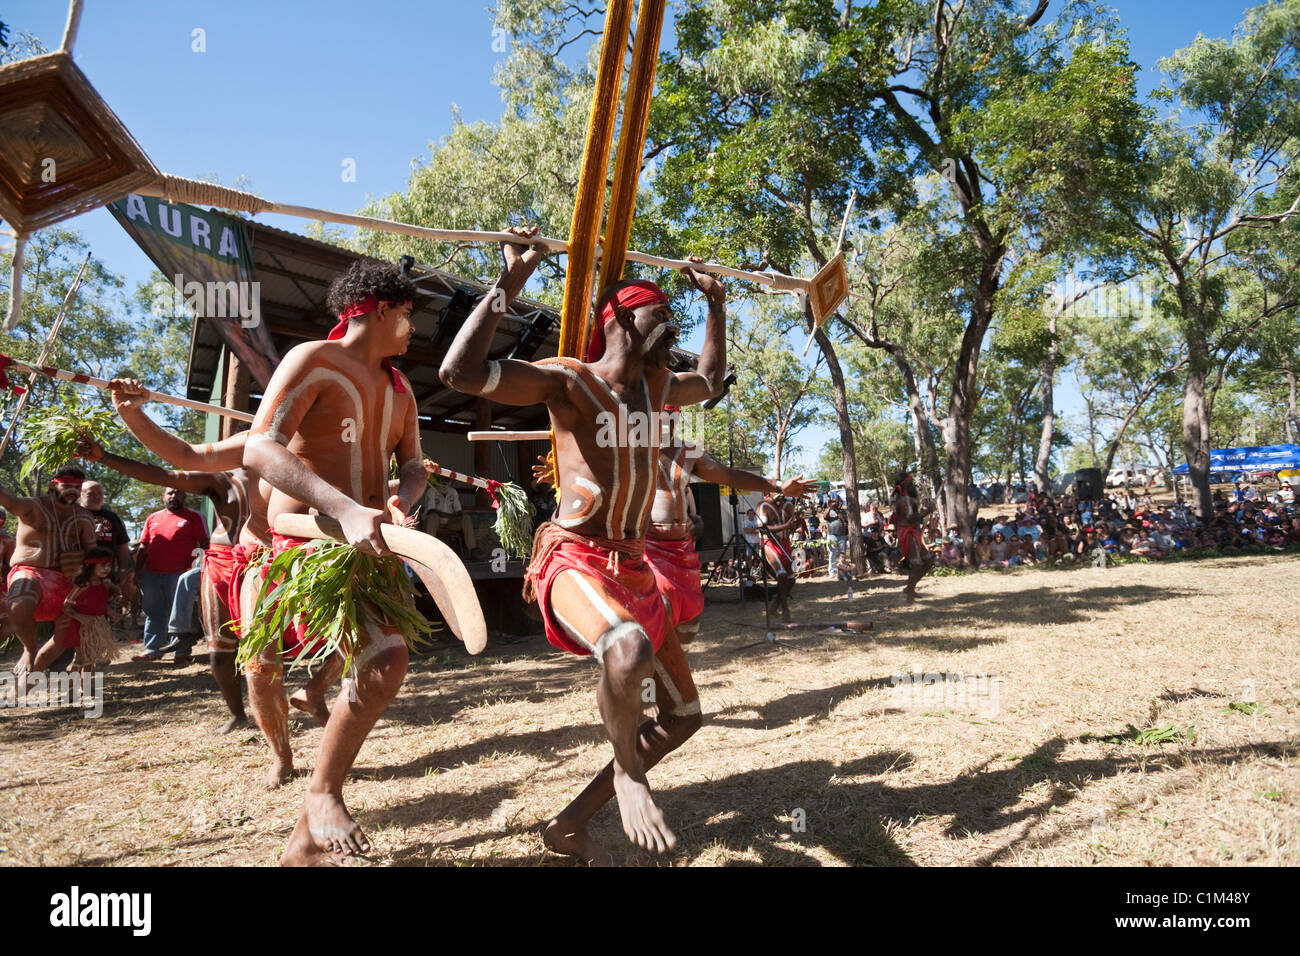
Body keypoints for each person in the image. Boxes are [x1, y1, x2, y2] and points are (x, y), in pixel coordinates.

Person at [440, 226, 727, 864]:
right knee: (623, 650)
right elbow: (459, 373)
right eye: (661, 306)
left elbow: (710, 380)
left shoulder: (658, 392)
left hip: (637, 565)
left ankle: (568, 824)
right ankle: (629, 775)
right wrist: (508, 284)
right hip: (573, 557)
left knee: (682, 717)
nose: (669, 318)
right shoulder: (568, 381)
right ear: (621, 315)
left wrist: (715, 302)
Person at [241, 257, 427, 863]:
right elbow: (259, 447)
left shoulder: (401, 389)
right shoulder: (312, 360)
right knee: (385, 657)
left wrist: (405, 497)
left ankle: (304, 842)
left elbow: (416, 463)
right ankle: (320, 794)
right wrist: (342, 508)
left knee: (383, 664)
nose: (412, 329)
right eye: (407, 316)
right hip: (313, 543)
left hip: (372, 550)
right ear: (378, 308)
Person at [1, 465, 96, 678]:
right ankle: (29, 648)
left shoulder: (84, 517)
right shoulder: (32, 507)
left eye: (77, 487)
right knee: (20, 600)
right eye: (67, 486)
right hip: (30, 571)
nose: (72, 491)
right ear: (54, 484)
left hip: (67, 581)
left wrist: (82, 562)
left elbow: (93, 554)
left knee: (67, 636)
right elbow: (7, 499)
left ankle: (33, 674)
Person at [133, 488, 209, 663]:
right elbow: (143, 546)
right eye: (170, 493)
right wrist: (137, 572)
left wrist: (199, 569)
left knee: (181, 611)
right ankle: (152, 649)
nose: (174, 496)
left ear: (185, 495)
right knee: (153, 612)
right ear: (163, 496)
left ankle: (181, 652)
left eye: (178, 493)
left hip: (180, 574)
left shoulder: (194, 517)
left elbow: (205, 543)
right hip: (151, 573)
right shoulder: (152, 518)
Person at [757, 492, 800, 621]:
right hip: (770, 543)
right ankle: (785, 610)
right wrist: (785, 526)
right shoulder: (763, 506)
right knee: (781, 575)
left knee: (791, 579)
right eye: (780, 496)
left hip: (785, 543)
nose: (782, 499)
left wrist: (792, 525)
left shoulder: (787, 505)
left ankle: (774, 606)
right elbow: (762, 528)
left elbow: (793, 525)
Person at [891, 471, 934, 602]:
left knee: (928, 561)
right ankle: (909, 594)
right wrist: (927, 511)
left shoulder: (907, 499)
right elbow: (910, 517)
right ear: (905, 484)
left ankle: (910, 588)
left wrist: (925, 509)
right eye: (910, 481)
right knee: (917, 564)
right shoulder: (904, 500)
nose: (912, 484)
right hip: (907, 533)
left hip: (912, 532)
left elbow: (912, 515)